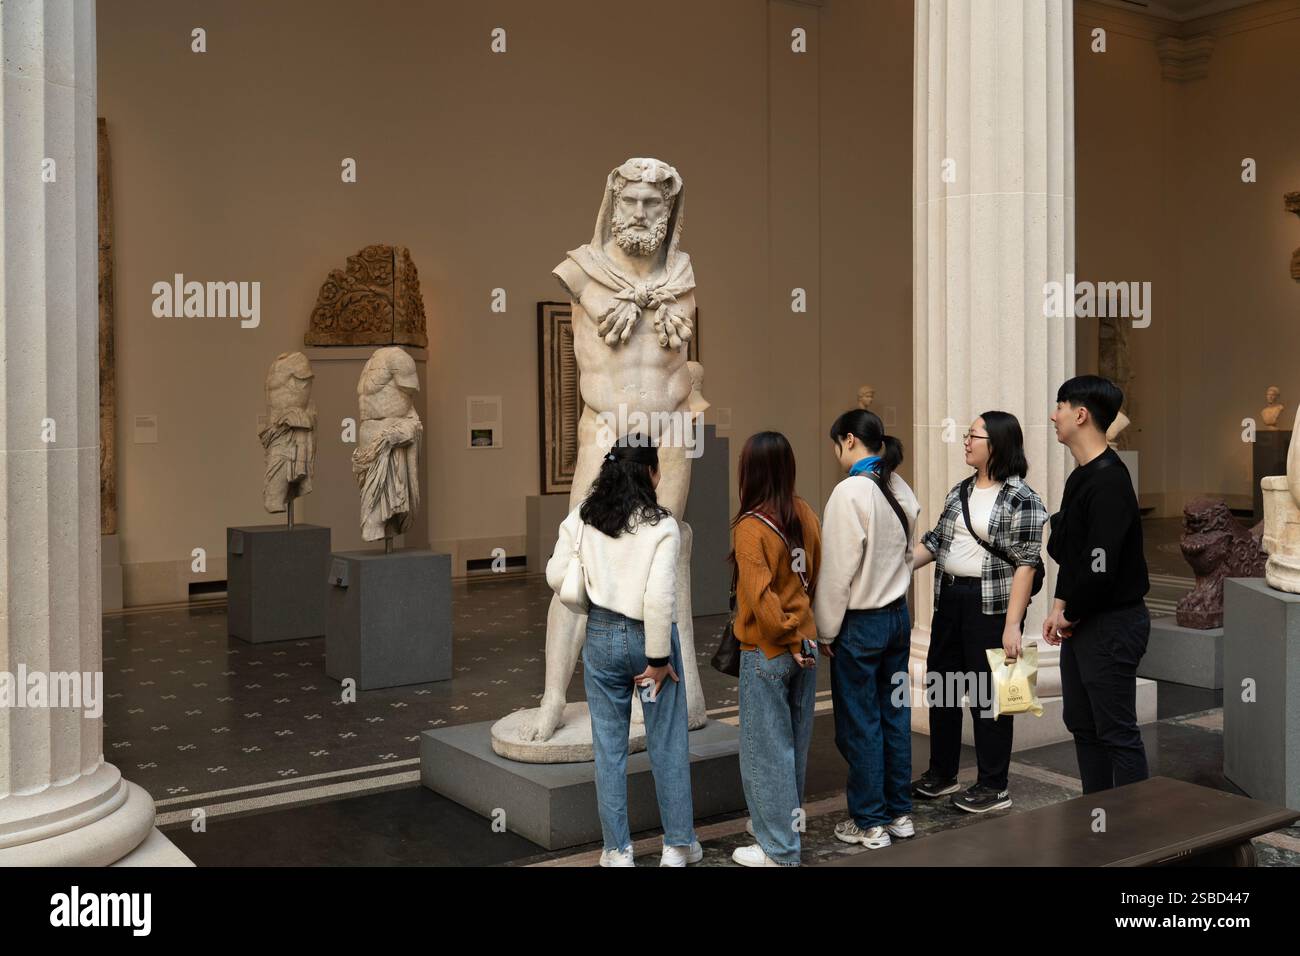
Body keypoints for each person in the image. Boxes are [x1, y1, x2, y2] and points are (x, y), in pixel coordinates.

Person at [545, 438, 701, 866]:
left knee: (608, 747)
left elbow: (554, 572)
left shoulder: (584, 517)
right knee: (666, 742)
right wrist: (657, 661)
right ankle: (677, 845)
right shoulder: (662, 526)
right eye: (657, 469)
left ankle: (617, 850)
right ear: (649, 474)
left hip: (601, 638)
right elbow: (658, 599)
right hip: (648, 646)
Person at [911, 412, 1047, 813]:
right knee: (945, 686)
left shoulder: (1023, 498)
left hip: (991, 605)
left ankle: (993, 786)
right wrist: (893, 566)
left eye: (974, 435)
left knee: (990, 697)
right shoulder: (960, 491)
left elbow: (1026, 563)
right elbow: (935, 542)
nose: (966, 441)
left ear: (998, 444)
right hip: (950, 600)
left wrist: (1012, 625)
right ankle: (943, 774)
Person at [814, 409, 921, 850]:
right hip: (898, 617)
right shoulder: (899, 485)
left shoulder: (850, 493)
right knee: (895, 717)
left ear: (851, 440)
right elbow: (907, 554)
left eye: (836, 443)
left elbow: (838, 572)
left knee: (860, 723)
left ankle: (870, 821)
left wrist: (825, 630)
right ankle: (899, 813)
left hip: (861, 624)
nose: (836, 452)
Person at [1043, 376, 1151, 793]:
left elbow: (1100, 567)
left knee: (1116, 732)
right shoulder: (1082, 477)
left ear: (1081, 414)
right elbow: (1074, 555)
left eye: (1060, 407)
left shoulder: (1109, 481)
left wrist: (1071, 612)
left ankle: (1129, 838)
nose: (1054, 416)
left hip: (1111, 624)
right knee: (1083, 725)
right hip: (1086, 620)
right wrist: (1059, 605)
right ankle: (1097, 815)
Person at [728, 432, 823, 867]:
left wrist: (784, 635)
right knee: (792, 748)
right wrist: (800, 633)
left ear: (750, 471)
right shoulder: (803, 512)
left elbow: (760, 599)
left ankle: (778, 849)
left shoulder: (750, 527)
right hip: (805, 644)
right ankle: (780, 826)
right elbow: (814, 573)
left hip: (770, 651)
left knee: (765, 752)